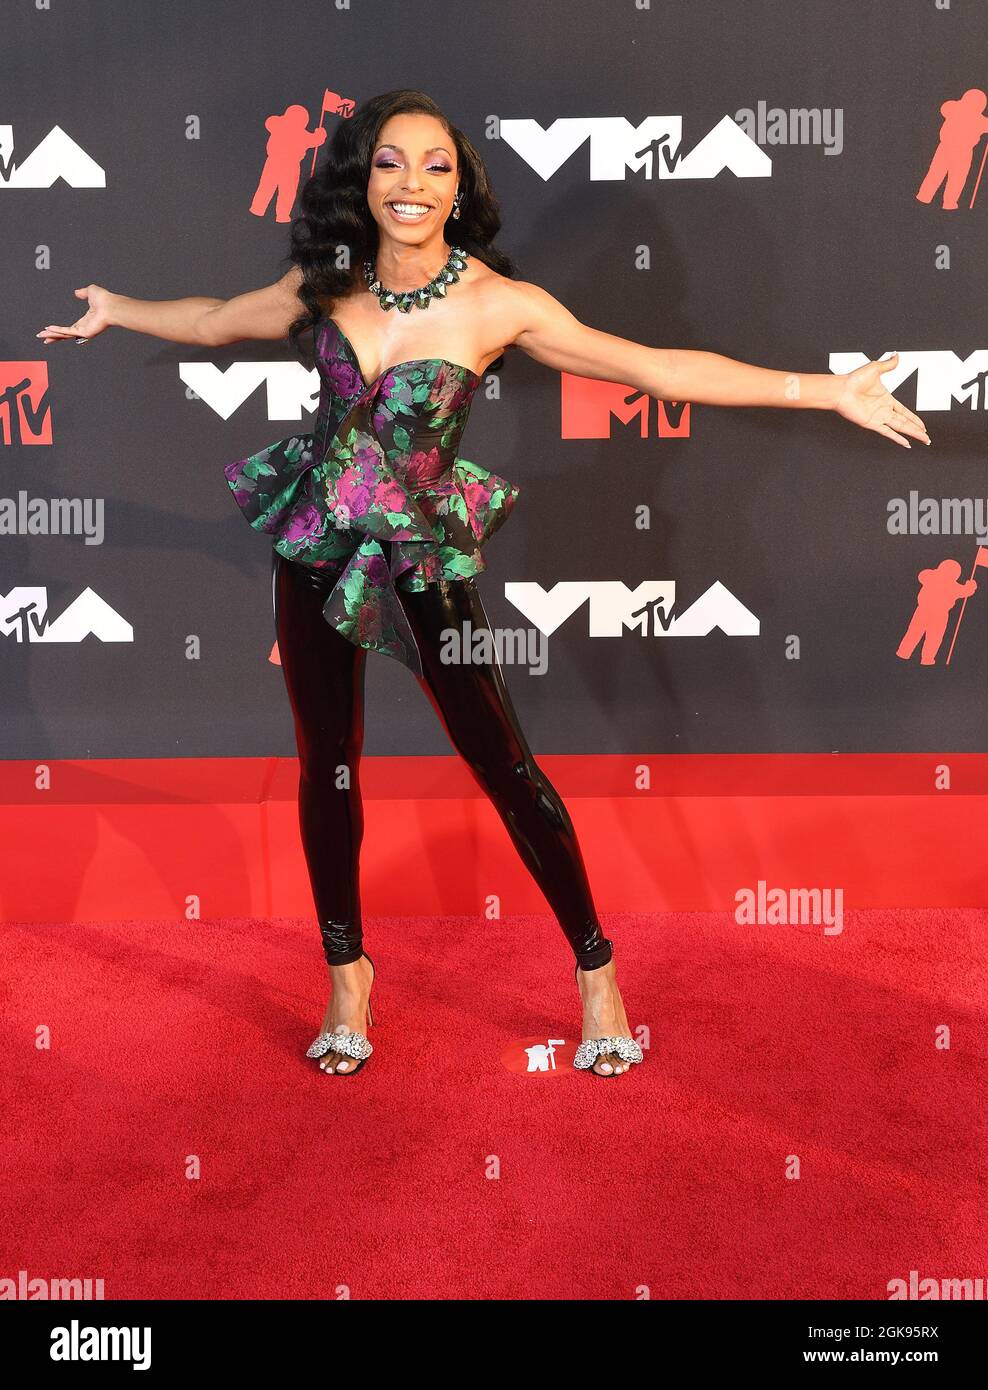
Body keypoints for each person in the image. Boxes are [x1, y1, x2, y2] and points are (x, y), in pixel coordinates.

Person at [36, 89, 931, 1080]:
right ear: (360, 178)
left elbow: (655, 370)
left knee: (501, 761)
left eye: (434, 166)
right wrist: (116, 309)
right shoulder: (325, 282)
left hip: (422, 555)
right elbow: (210, 321)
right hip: (318, 543)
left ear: (460, 187)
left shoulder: (497, 304)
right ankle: (348, 973)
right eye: (389, 163)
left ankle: (595, 971)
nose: (410, 184)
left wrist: (825, 388)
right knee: (325, 763)